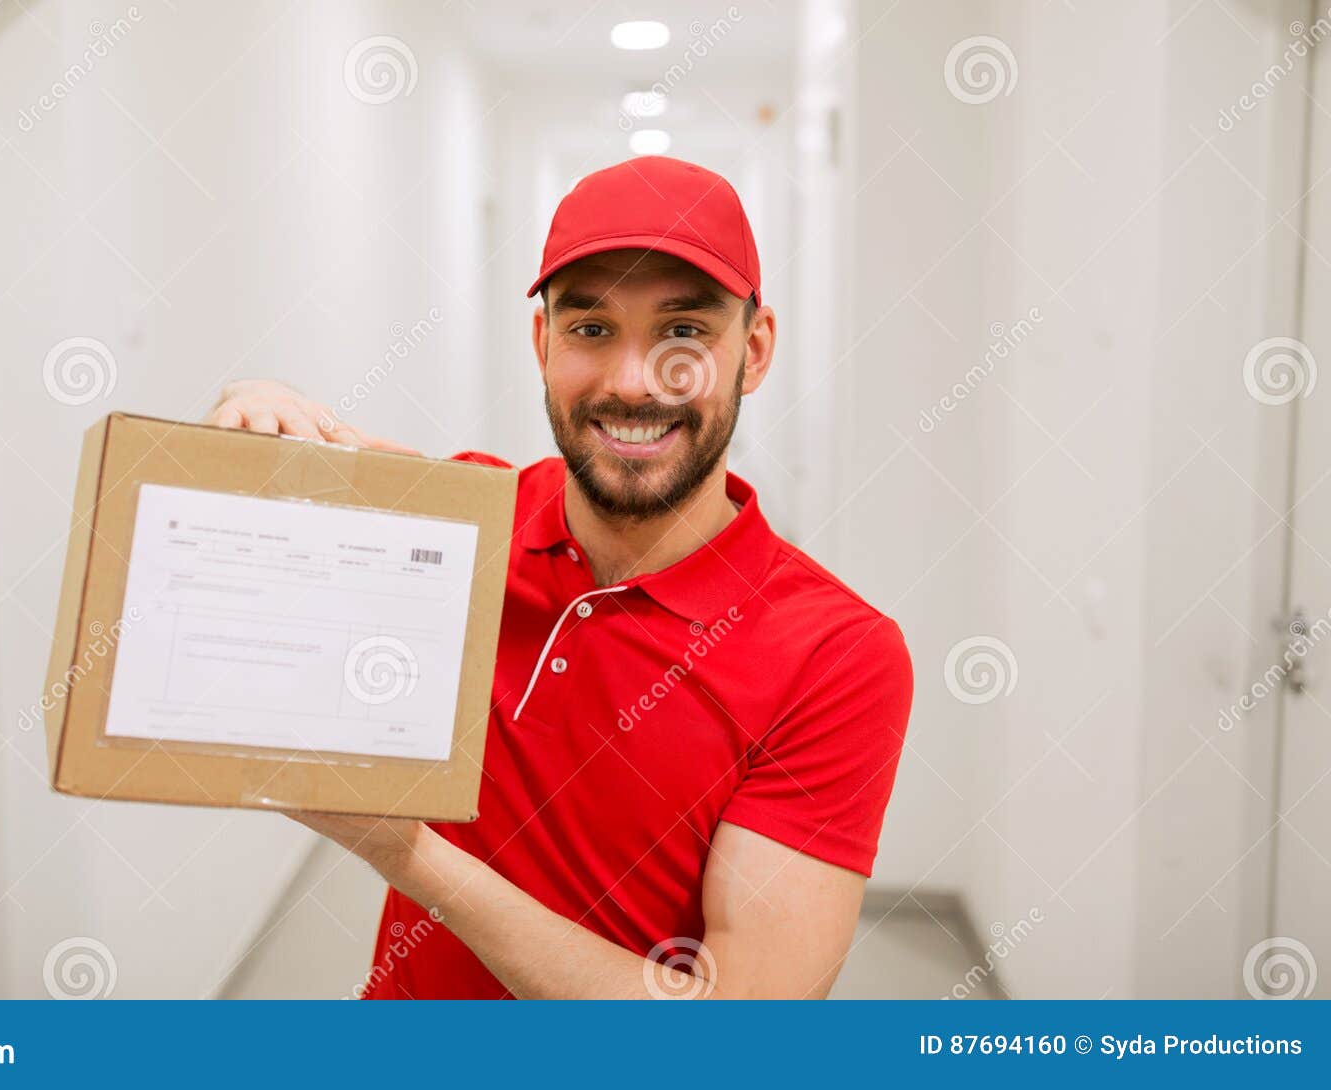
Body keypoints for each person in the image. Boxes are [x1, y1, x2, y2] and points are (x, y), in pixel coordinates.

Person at [206, 156, 913, 999]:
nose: (630, 382)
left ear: (752, 352)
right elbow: (249, 619)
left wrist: (410, 857)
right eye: (591, 329)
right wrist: (252, 442)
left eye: (684, 332)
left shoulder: (835, 657)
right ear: (543, 344)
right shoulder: (461, 521)